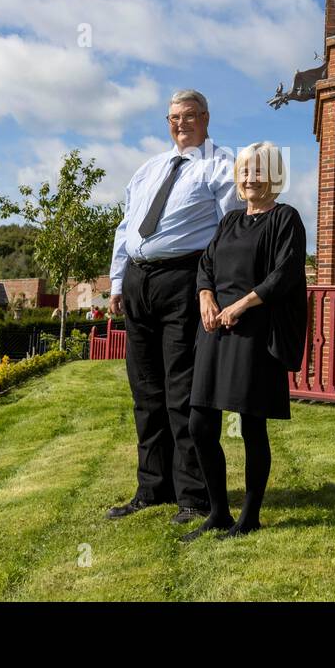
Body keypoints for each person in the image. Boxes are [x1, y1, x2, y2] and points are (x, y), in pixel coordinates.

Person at [105, 90, 243, 524]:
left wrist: (214, 289)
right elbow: (126, 225)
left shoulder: (221, 165)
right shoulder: (149, 169)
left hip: (184, 280)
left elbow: (230, 230)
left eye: (187, 116)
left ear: (204, 117)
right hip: (139, 281)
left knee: (182, 391)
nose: (179, 124)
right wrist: (116, 280)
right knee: (145, 391)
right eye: (172, 117)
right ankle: (152, 488)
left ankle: (193, 495)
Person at [182, 141, 307, 540]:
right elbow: (206, 265)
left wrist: (242, 305)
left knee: (252, 427)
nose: (250, 178)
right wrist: (206, 295)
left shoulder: (286, 218)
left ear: (274, 176)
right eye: (245, 171)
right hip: (216, 331)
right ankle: (218, 511)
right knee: (200, 424)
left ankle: (249, 517)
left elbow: (284, 274)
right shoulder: (230, 221)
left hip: (255, 331)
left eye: (259, 170)